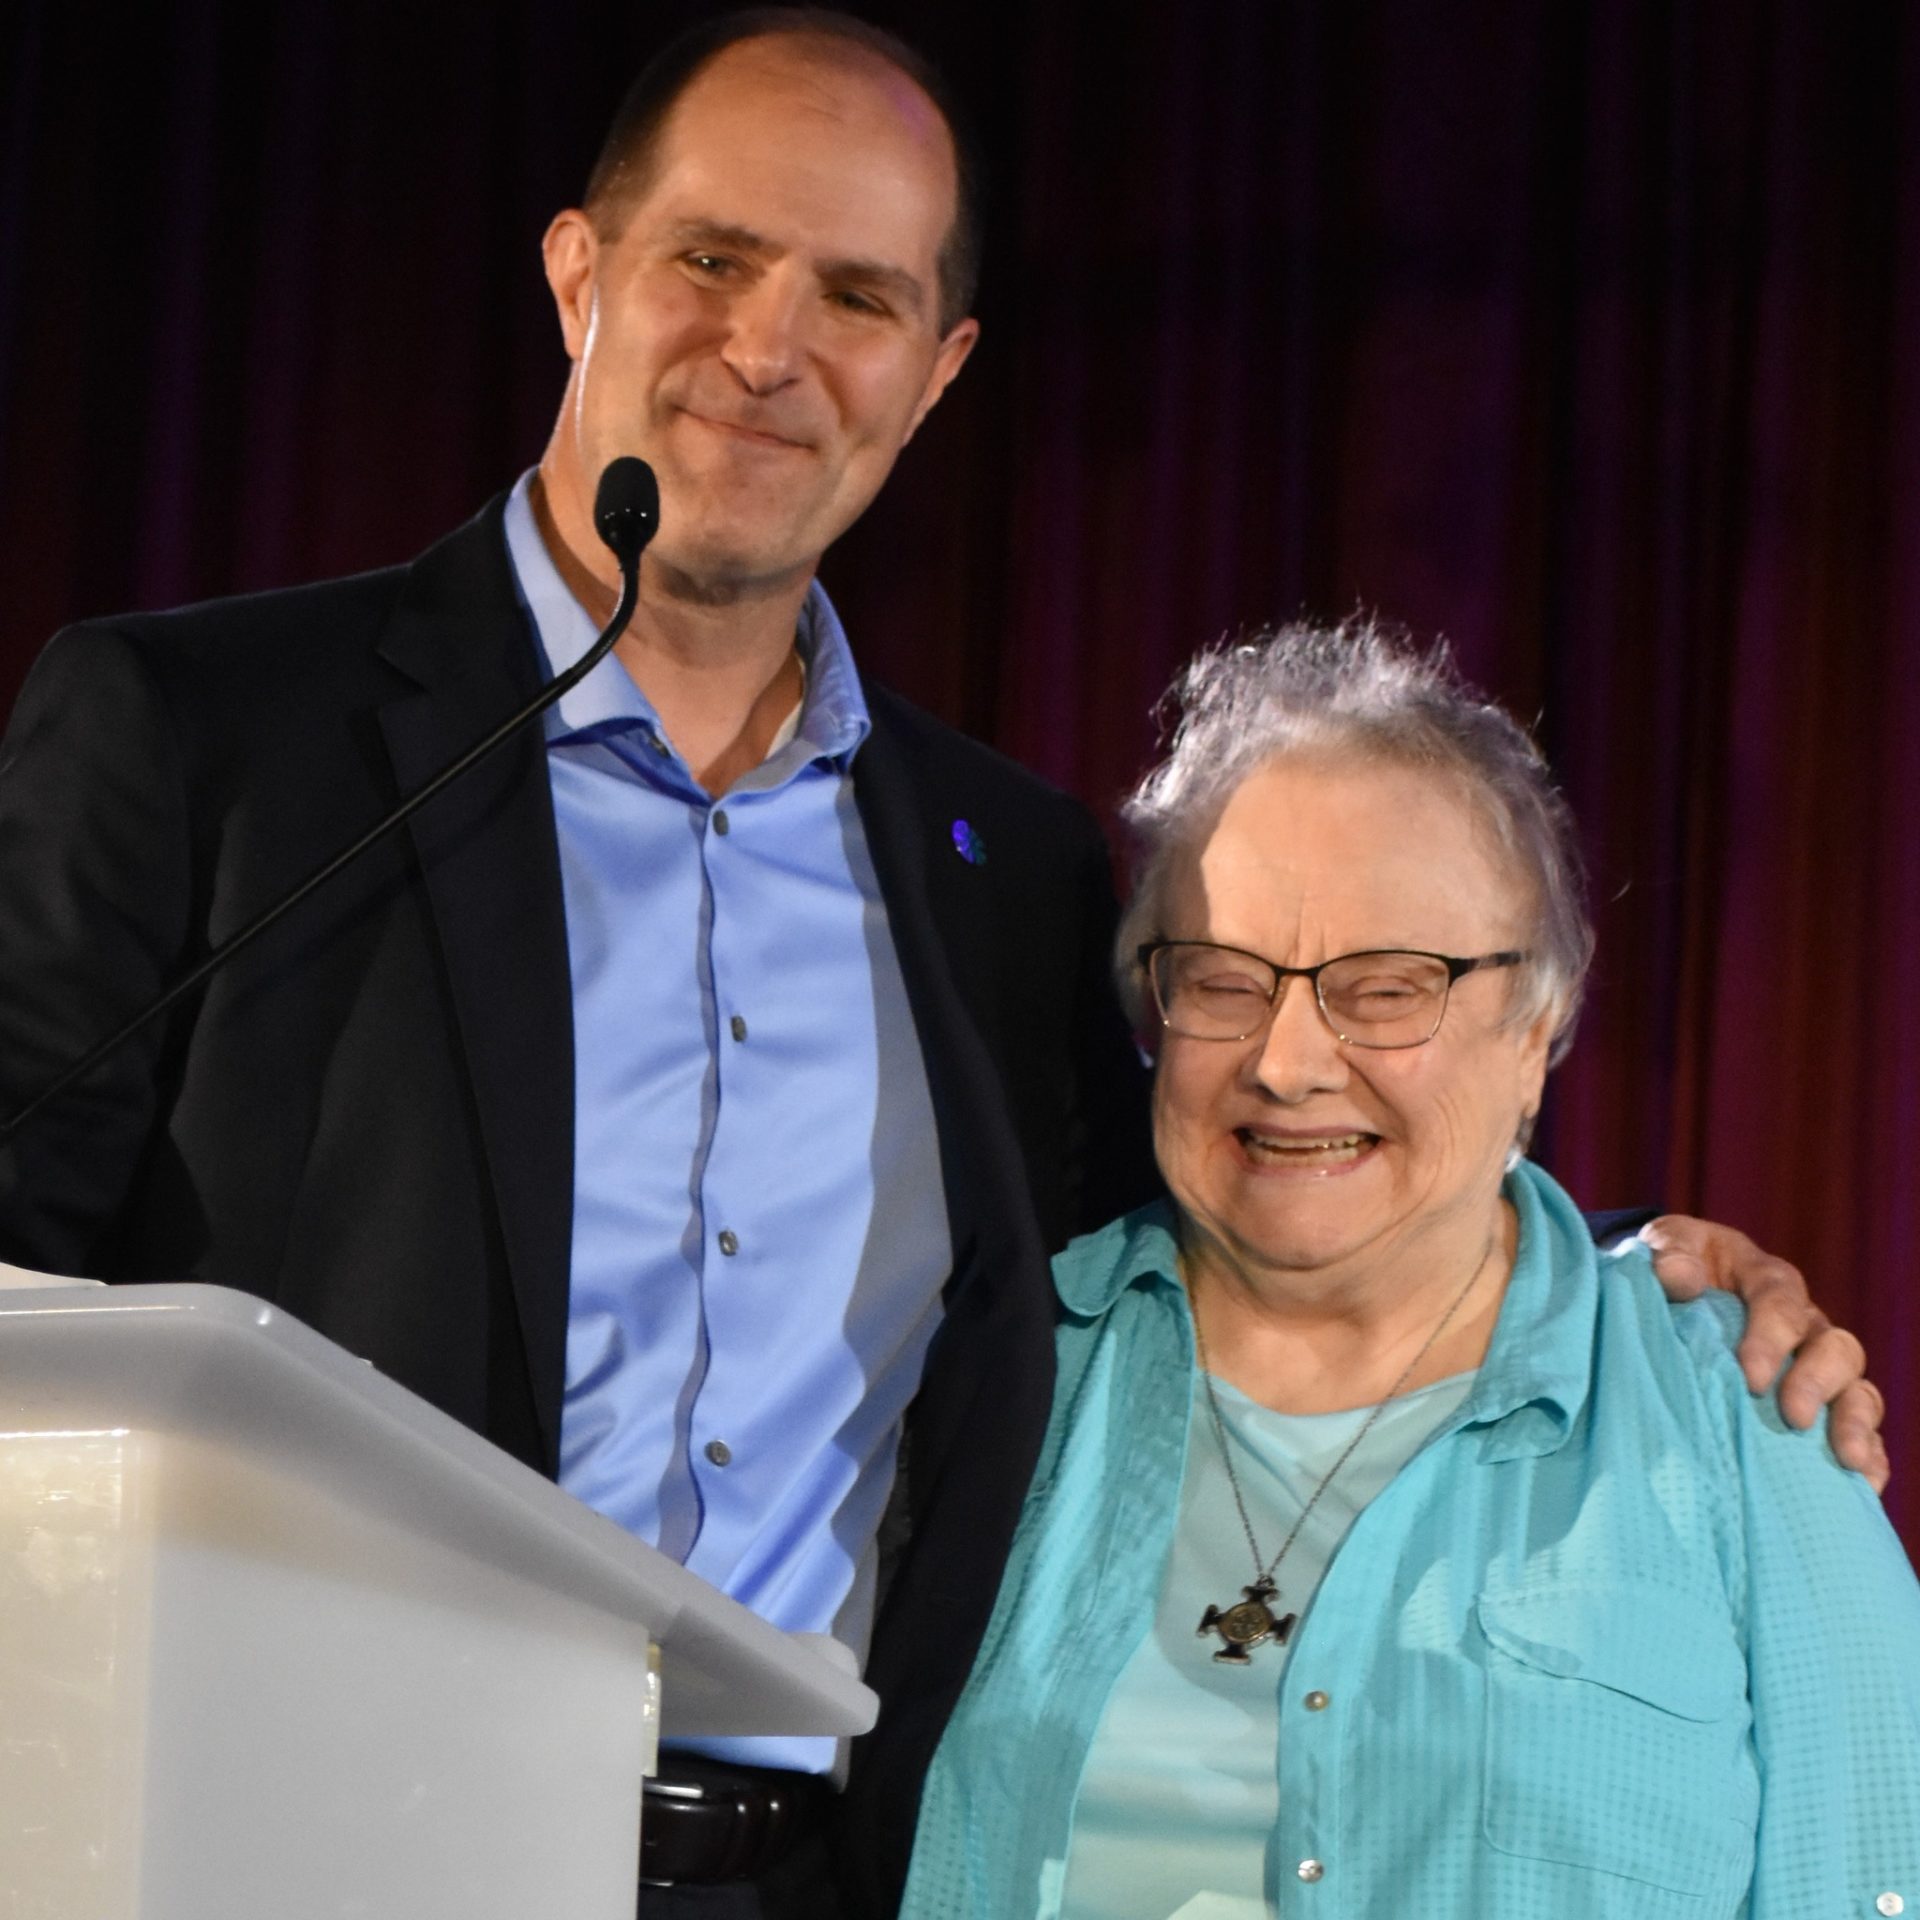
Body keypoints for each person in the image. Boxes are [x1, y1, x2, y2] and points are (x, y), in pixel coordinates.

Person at [0, 13, 1887, 1918]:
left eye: (859, 297)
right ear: (580, 275)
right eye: (713, 260)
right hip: (267, 1836)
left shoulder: (1006, 869)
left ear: (936, 372)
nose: (769, 350)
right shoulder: (206, 737)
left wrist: (1630, 1273)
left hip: (813, 1876)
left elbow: (1256, 1185)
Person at [901, 621, 1920, 1919]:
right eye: (1222, 981)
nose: (1287, 1060)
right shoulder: (1004, 1385)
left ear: (1539, 1021)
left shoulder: (1743, 1422)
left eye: (1385, 989)